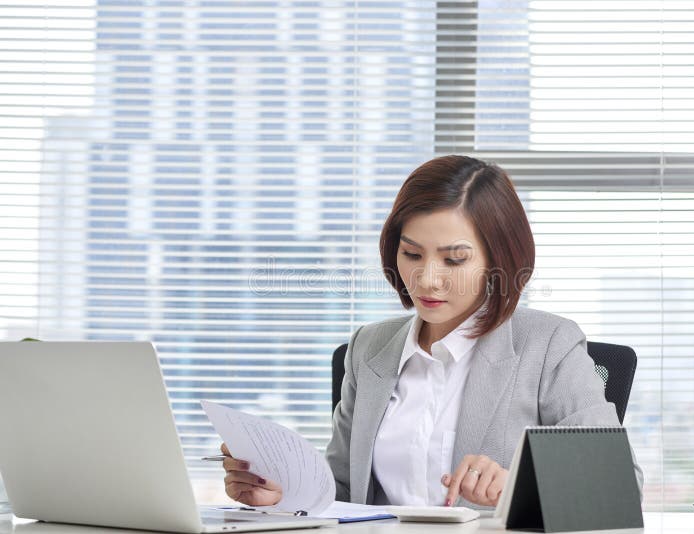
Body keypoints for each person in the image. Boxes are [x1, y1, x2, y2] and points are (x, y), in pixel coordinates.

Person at [219, 155, 644, 509]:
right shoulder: (370, 348)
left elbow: (622, 486)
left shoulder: (549, 344)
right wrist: (279, 492)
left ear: (500, 259)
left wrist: (520, 485)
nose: (427, 279)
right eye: (411, 254)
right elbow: (341, 492)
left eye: (454, 260)